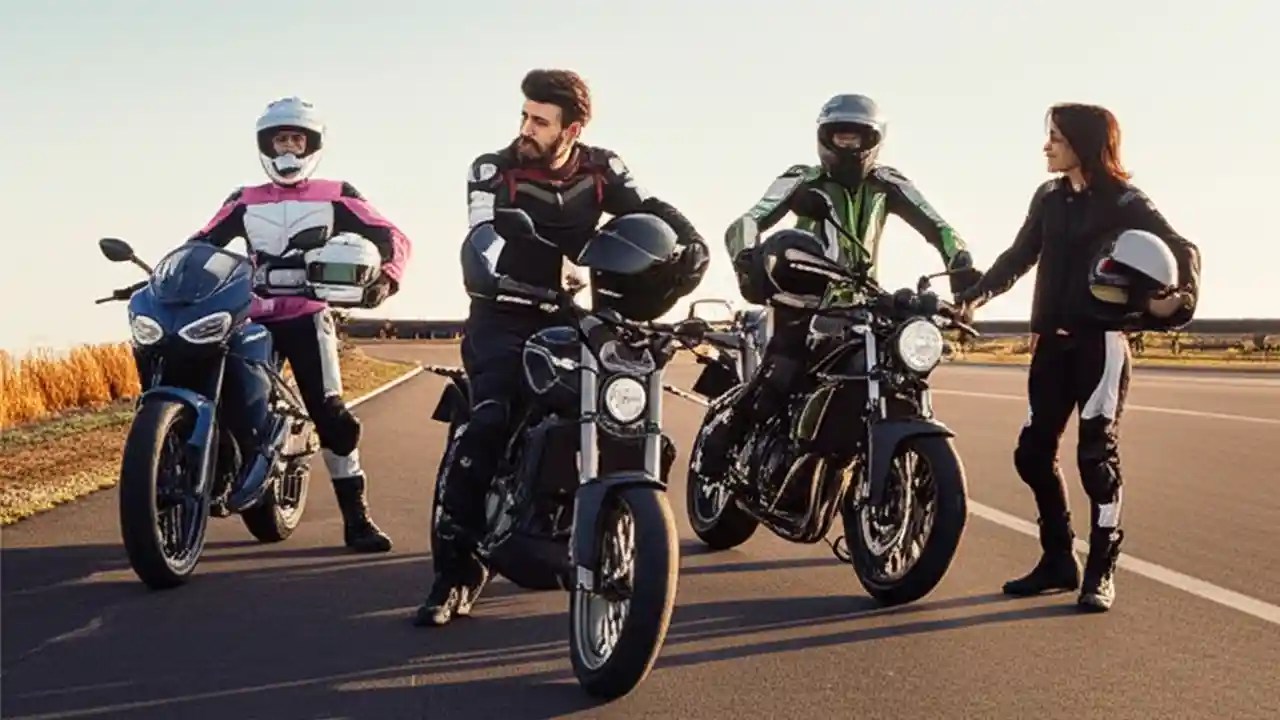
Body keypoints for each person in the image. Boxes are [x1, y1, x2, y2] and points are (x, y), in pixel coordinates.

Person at [414, 68, 711, 627]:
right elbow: (483, 235)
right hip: (505, 312)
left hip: (582, 317)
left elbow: (647, 209)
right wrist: (495, 269)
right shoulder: (493, 167)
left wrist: (691, 242)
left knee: (622, 413)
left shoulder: (603, 167)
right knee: (489, 420)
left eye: (539, 120)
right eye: (524, 115)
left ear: (571, 130)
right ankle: (452, 574)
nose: (526, 127)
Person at [954, 102, 1201, 612]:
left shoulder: (1124, 200)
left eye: (1056, 138)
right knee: (1031, 454)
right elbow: (1019, 256)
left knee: (1096, 460)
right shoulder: (1048, 198)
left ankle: (1101, 571)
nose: (1047, 146)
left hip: (1101, 345)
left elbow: (1183, 248)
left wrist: (1180, 298)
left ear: (1084, 144)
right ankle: (1058, 560)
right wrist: (974, 297)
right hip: (1050, 345)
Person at [695, 93, 983, 480]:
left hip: (866, 301)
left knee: (898, 369)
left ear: (875, 139)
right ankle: (721, 445)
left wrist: (961, 267)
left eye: (857, 137)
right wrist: (749, 258)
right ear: (823, 137)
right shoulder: (802, 178)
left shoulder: (889, 183)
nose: (848, 145)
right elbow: (748, 220)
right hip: (801, 296)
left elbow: (940, 227)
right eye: (839, 136)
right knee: (783, 371)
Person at [187, 96, 413, 554]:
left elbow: (393, 237)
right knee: (223, 398)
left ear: (311, 145)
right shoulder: (243, 200)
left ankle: (357, 519)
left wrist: (385, 281)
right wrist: (177, 276)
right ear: (265, 145)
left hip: (309, 317)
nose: (287, 148)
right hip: (251, 320)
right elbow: (200, 245)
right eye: (279, 139)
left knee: (331, 413)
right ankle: (218, 479)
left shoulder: (336, 193)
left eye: (296, 139)